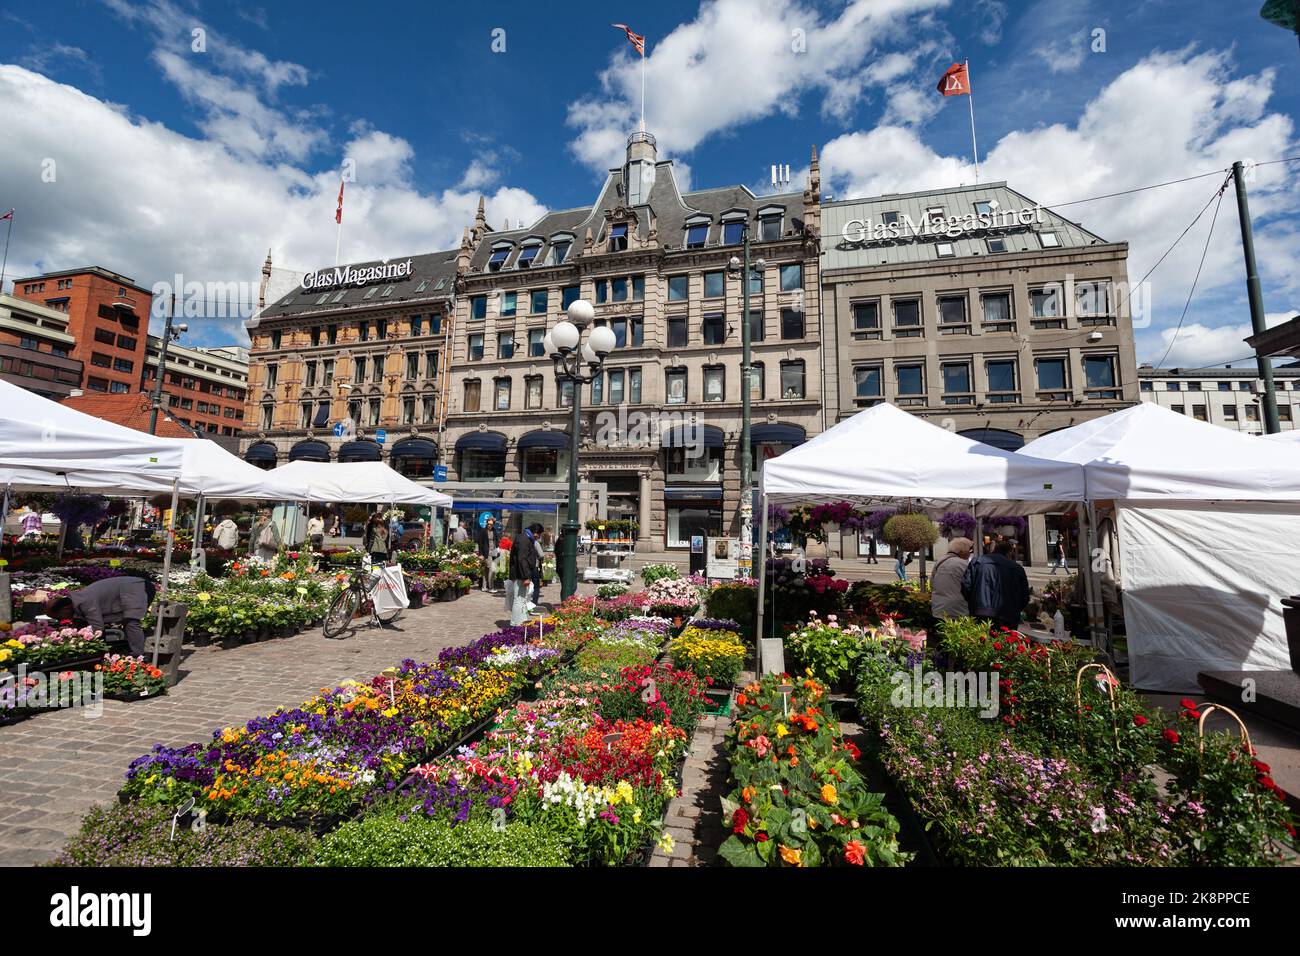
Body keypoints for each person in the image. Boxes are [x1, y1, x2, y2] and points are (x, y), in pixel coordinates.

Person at [48, 576, 156, 657]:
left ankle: (139, 655)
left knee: (131, 621)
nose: (61, 620)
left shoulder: (85, 602)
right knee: (127, 621)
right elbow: (81, 626)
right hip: (127, 591)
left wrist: (100, 654)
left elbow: (98, 629)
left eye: (59, 617)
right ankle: (134, 649)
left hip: (138, 588)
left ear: (65, 608)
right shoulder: (77, 603)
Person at [962, 538, 1030, 632]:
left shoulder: (978, 562)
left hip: (981, 612)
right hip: (1008, 615)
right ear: (1009, 553)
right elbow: (1025, 596)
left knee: (981, 643)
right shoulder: (1017, 568)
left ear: (994, 550)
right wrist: (1014, 608)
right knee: (1004, 644)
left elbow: (966, 586)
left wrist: (974, 602)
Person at [930, 538, 973, 620]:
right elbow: (971, 587)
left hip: (939, 609)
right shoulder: (964, 564)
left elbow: (932, 584)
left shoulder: (939, 562)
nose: (969, 554)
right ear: (962, 551)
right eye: (969, 551)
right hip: (959, 610)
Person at [508, 523, 540, 625]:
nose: (539, 537)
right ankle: (516, 623)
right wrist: (526, 577)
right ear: (535, 533)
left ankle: (520, 621)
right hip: (520, 574)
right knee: (519, 599)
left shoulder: (524, 538)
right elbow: (522, 559)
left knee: (521, 599)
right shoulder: (524, 540)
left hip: (519, 572)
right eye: (539, 534)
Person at [476, 516, 500, 592]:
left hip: (493, 552)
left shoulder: (494, 530)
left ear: (493, 524)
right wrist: (481, 554)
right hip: (486, 552)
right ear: (486, 523)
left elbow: (496, 540)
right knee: (491, 569)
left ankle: (484, 586)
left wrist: (498, 549)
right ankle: (491, 587)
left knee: (486, 569)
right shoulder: (483, 531)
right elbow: (480, 543)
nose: (489, 525)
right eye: (488, 524)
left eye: (491, 524)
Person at [528, 523, 545, 608]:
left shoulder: (528, 540)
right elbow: (541, 555)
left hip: (526, 567)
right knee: (536, 586)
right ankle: (534, 602)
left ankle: (527, 601)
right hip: (534, 566)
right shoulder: (536, 543)